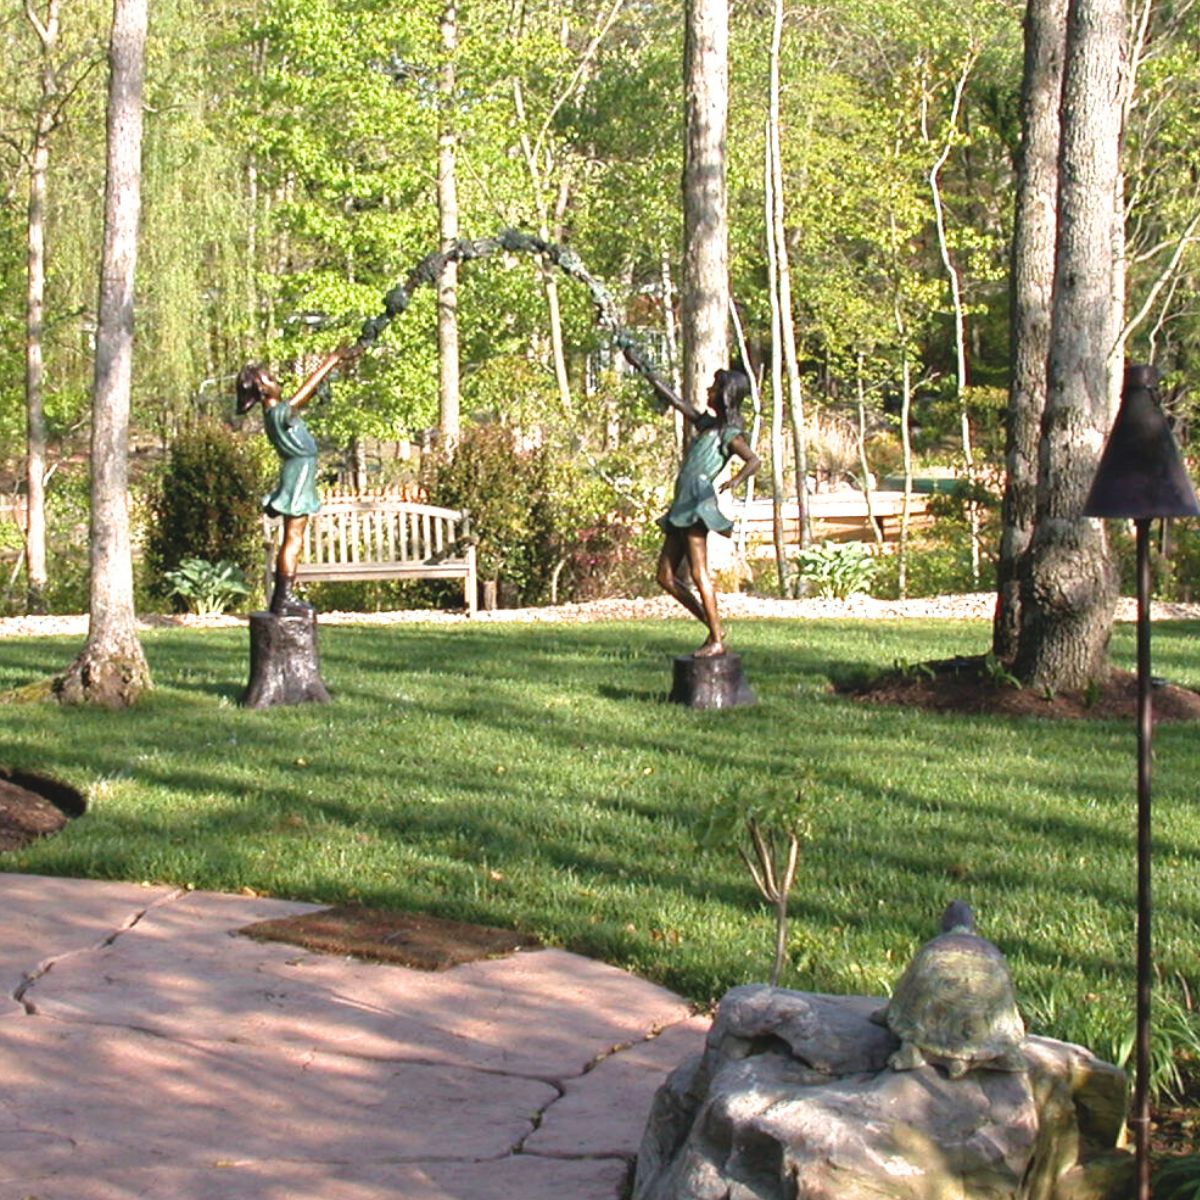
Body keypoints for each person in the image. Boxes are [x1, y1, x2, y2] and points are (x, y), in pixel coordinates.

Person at [640, 365, 760, 657]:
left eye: (715, 388)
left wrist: (735, 480)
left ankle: (717, 639)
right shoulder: (708, 425)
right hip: (682, 503)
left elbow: (753, 460)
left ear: (727, 395)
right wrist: (649, 374)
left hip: (697, 504)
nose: (709, 390)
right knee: (665, 577)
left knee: (697, 571)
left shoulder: (729, 434)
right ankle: (712, 625)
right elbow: (678, 402)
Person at [235, 347, 357, 616]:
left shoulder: (276, 413)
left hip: (298, 471)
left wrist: (331, 370)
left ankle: (284, 597)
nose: (276, 381)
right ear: (263, 390)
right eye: (270, 379)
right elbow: (305, 390)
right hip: (298, 474)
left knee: (294, 537)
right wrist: (331, 360)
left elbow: (308, 394)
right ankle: (283, 598)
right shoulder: (280, 414)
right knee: (294, 538)